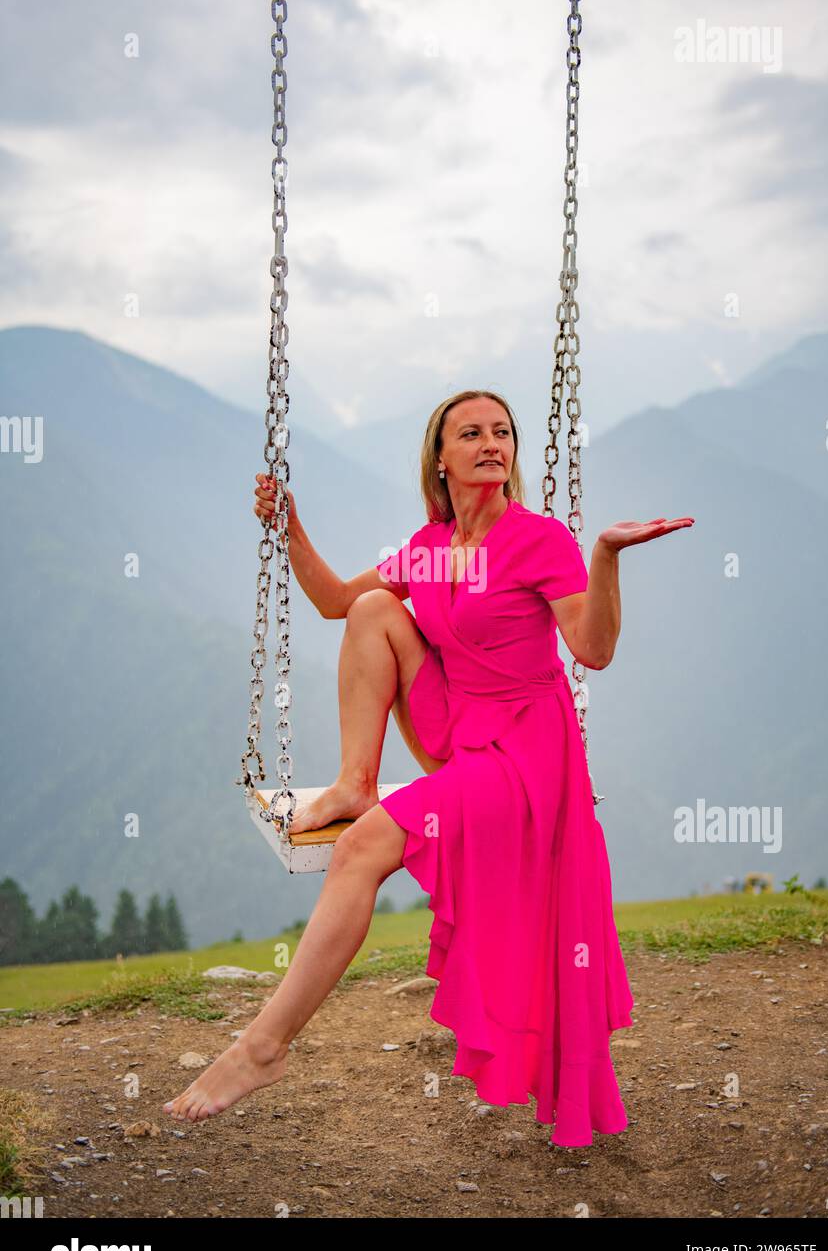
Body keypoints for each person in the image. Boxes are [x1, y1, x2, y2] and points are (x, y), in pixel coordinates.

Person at [164, 389, 694, 1145]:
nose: (491, 443)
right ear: (440, 459)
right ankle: (356, 779)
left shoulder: (539, 540)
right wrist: (289, 527)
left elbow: (594, 649)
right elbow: (332, 603)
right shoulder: (430, 545)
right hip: (460, 733)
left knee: (361, 847)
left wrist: (604, 556)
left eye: (502, 432)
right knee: (373, 611)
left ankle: (262, 1047)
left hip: (523, 757)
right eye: (471, 433)